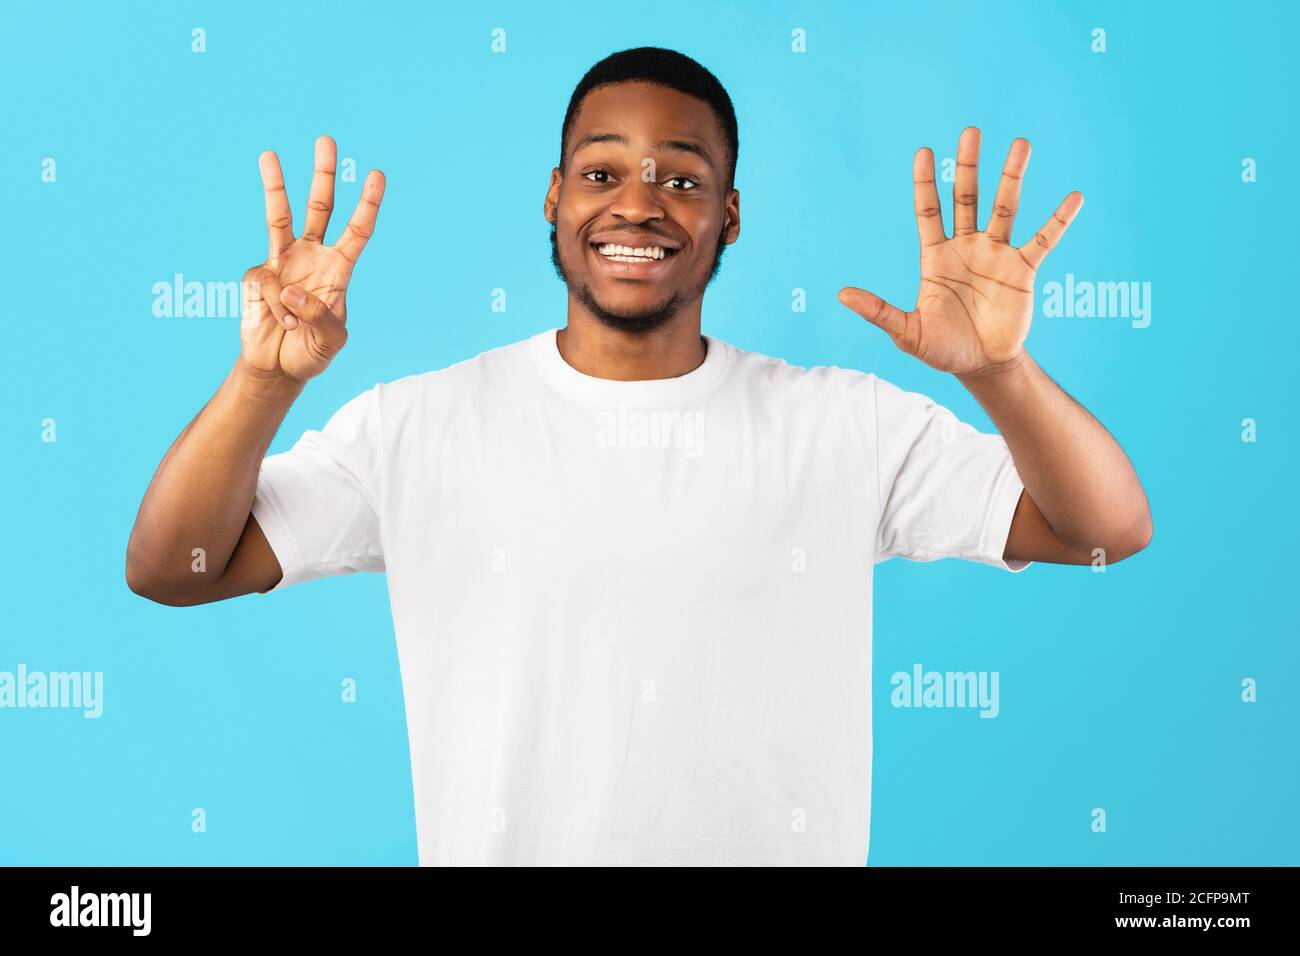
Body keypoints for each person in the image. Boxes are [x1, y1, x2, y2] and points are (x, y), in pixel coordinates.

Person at [126, 47, 1151, 866]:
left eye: (682, 177)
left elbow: (1102, 532)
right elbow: (176, 568)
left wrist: (998, 374)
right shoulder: (416, 423)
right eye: (602, 171)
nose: (637, 203)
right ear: (554, 199)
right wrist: (264, 380)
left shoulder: (844, 424)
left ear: (728, 217)